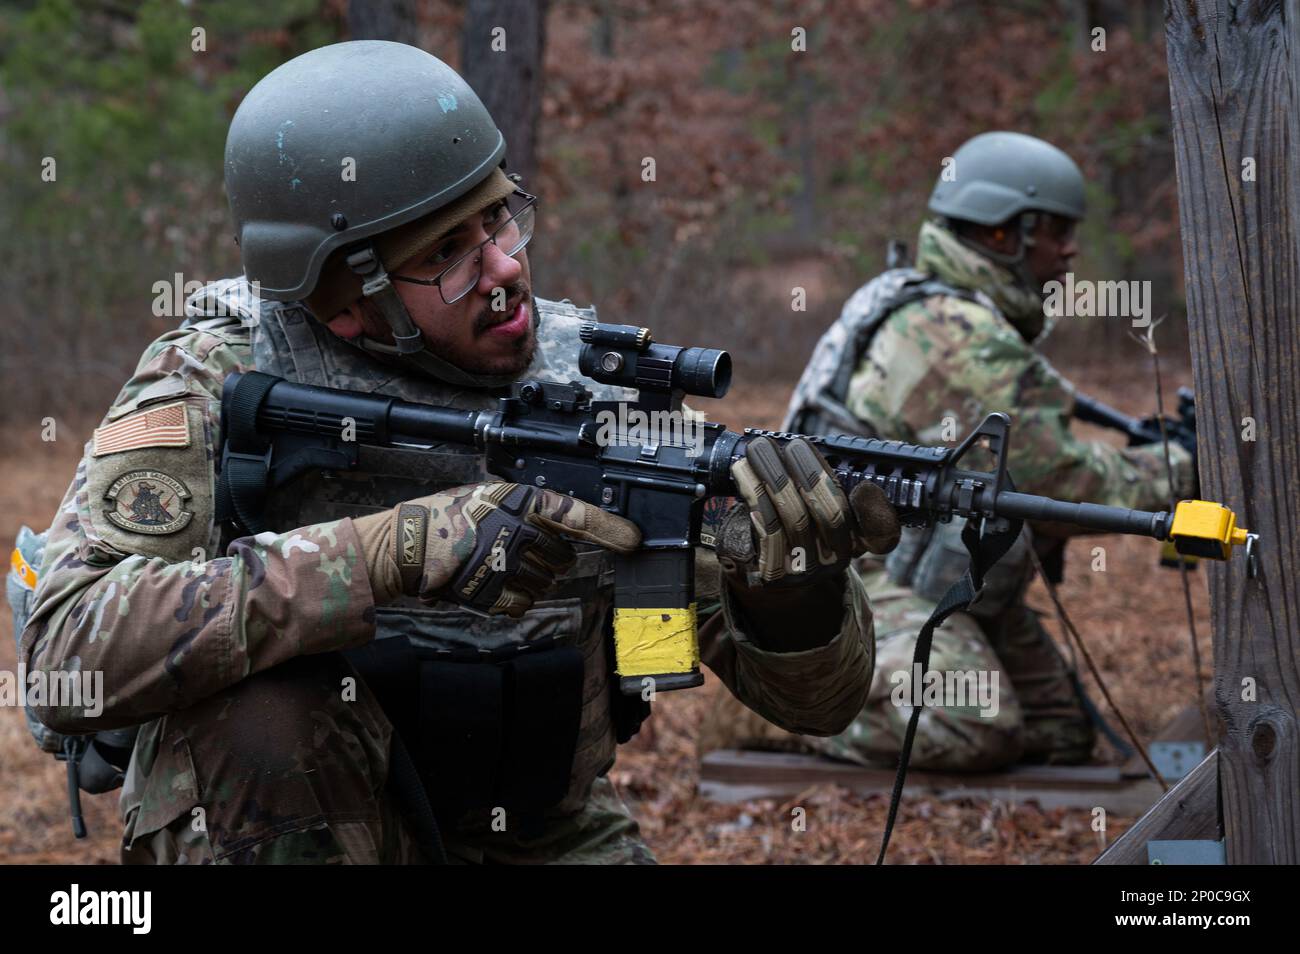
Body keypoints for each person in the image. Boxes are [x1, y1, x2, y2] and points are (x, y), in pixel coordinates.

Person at [20, 41, 902, 865]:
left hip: (541, 826)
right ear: (341, 301)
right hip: (301, 821)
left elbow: (818, 707)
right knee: (257, 727)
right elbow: (63, 659)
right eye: (446, 254)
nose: (505, 270)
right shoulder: (220, 377)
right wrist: (393, 554)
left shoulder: (591, 386)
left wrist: (796, 594)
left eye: (500, 221)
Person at [765, 131, 1195, 772]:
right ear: (1003, 234)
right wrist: (1184, 469)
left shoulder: (945, 309)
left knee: (1058, 735)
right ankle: (783, 706)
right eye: (1055, 230)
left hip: (930, 574)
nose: (1070, 249)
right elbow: (1060, 484)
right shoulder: (952, 332)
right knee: (973, 722)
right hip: (852, 577)